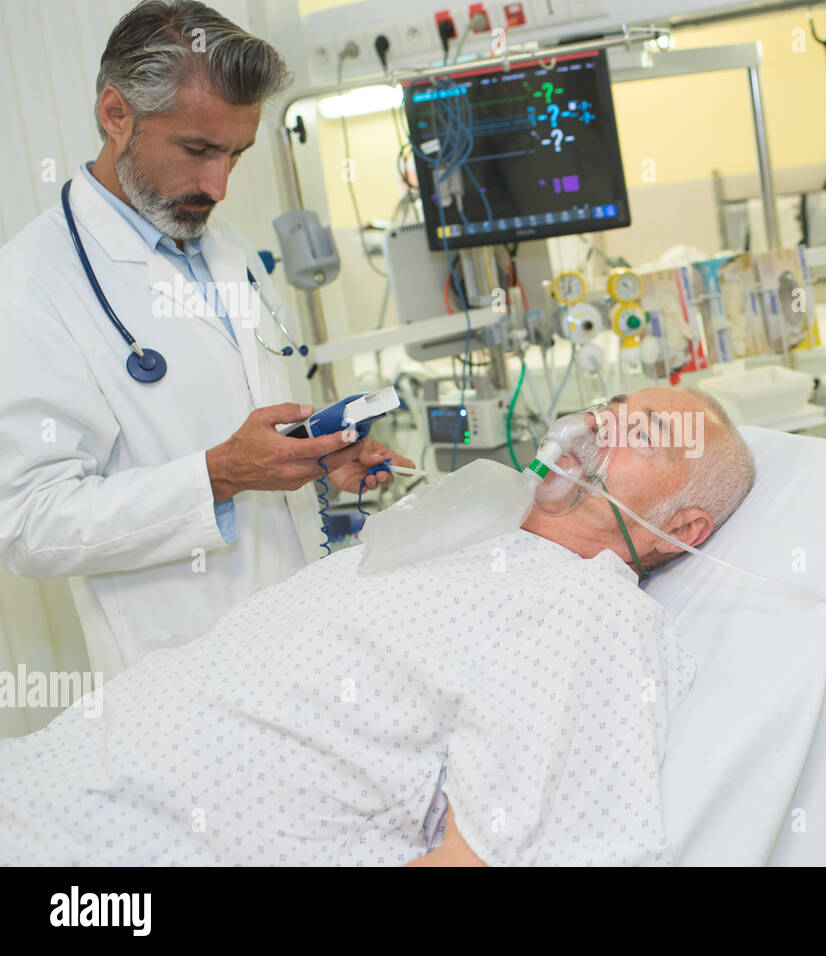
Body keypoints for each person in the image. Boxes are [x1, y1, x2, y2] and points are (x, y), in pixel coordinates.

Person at [0, 389, 757, 866]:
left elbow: (487, 856)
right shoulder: (474, 537)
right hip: (60, 777)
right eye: (611, 407)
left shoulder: (593, 613)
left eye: (645, 435)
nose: (598, 427)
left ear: (677, 528)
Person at [0, 0, 411, 680]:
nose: (218, 184)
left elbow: (244, 420)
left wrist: (311, 462)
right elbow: (28, 523)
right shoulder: (30, 285)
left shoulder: (223, 247)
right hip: (185, 681)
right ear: (116, 114)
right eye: (198, 150)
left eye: (236, 155)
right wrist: (218, 474)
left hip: (307, 634)